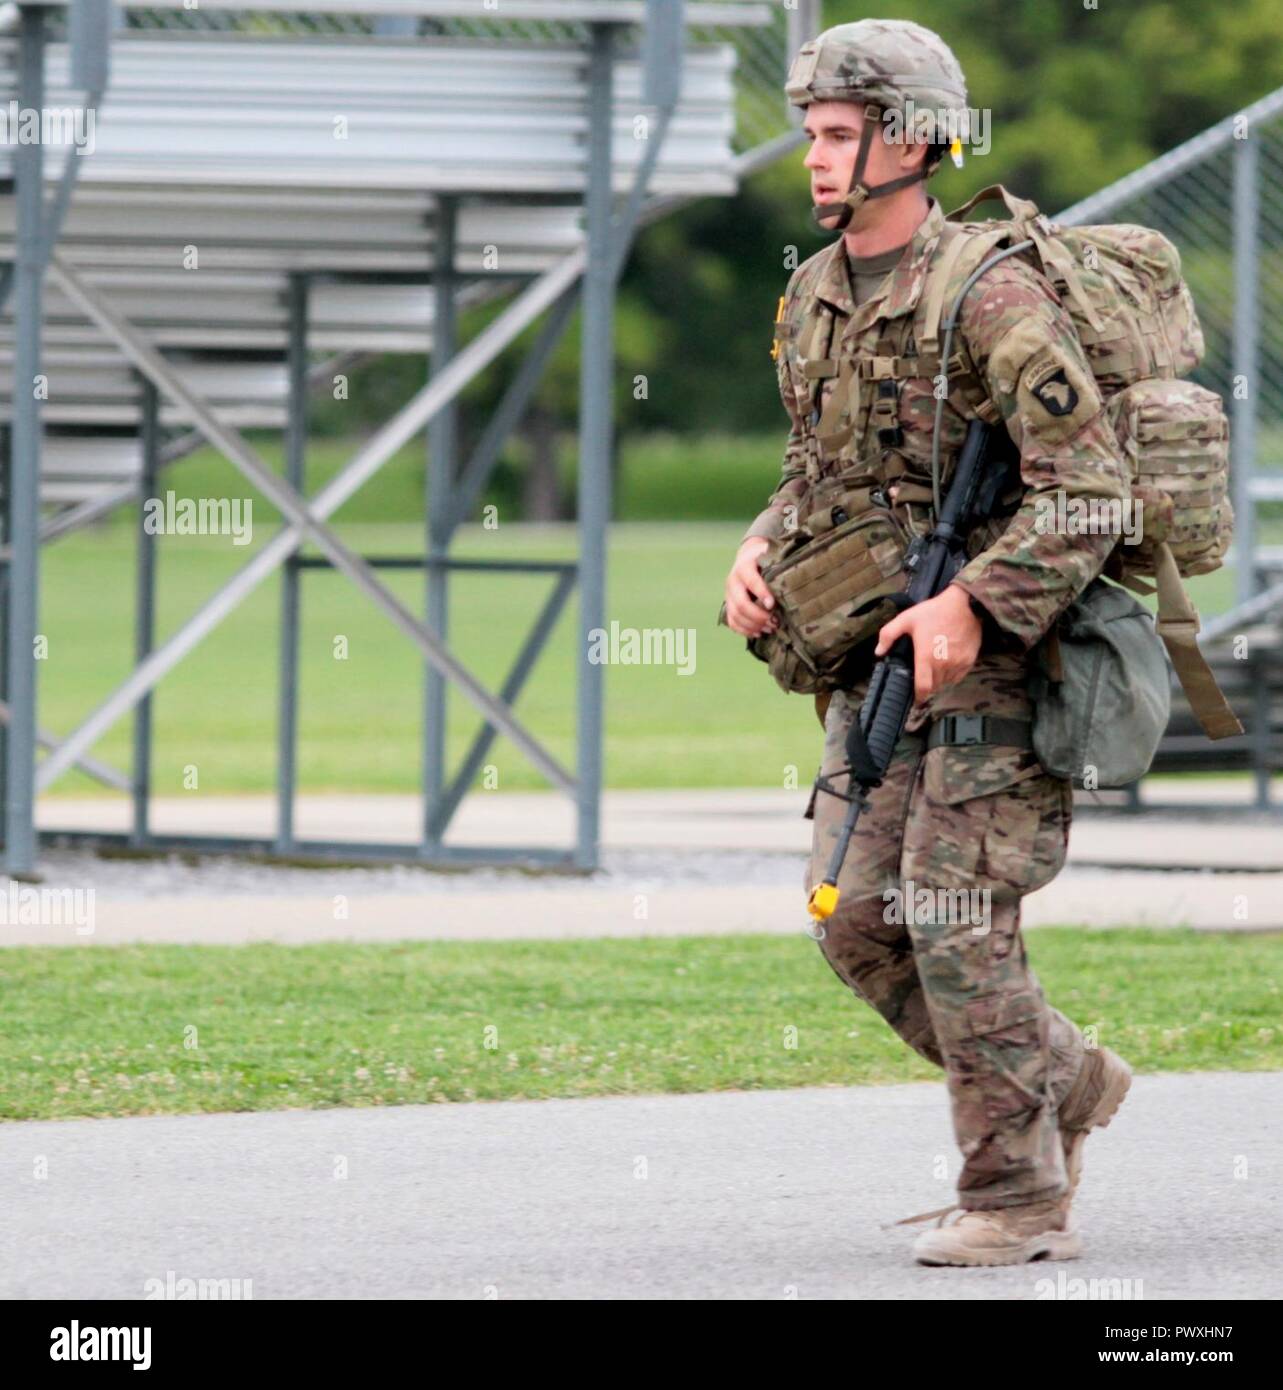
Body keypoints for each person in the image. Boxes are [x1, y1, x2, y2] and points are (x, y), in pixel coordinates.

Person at [722, 18, 1133, 1267]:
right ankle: (1062, 1081)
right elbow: (816, 473)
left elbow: (1090, 488)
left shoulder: (987, 289)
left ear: (911, 141)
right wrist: (752, 547)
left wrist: (971, 603)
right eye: (810, 135)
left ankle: (1013, 1195)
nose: (815, 158)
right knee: (854, 920)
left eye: (839, 135)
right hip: (871, 662)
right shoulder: (811, 294)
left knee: (954, 913)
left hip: (1004, 657)